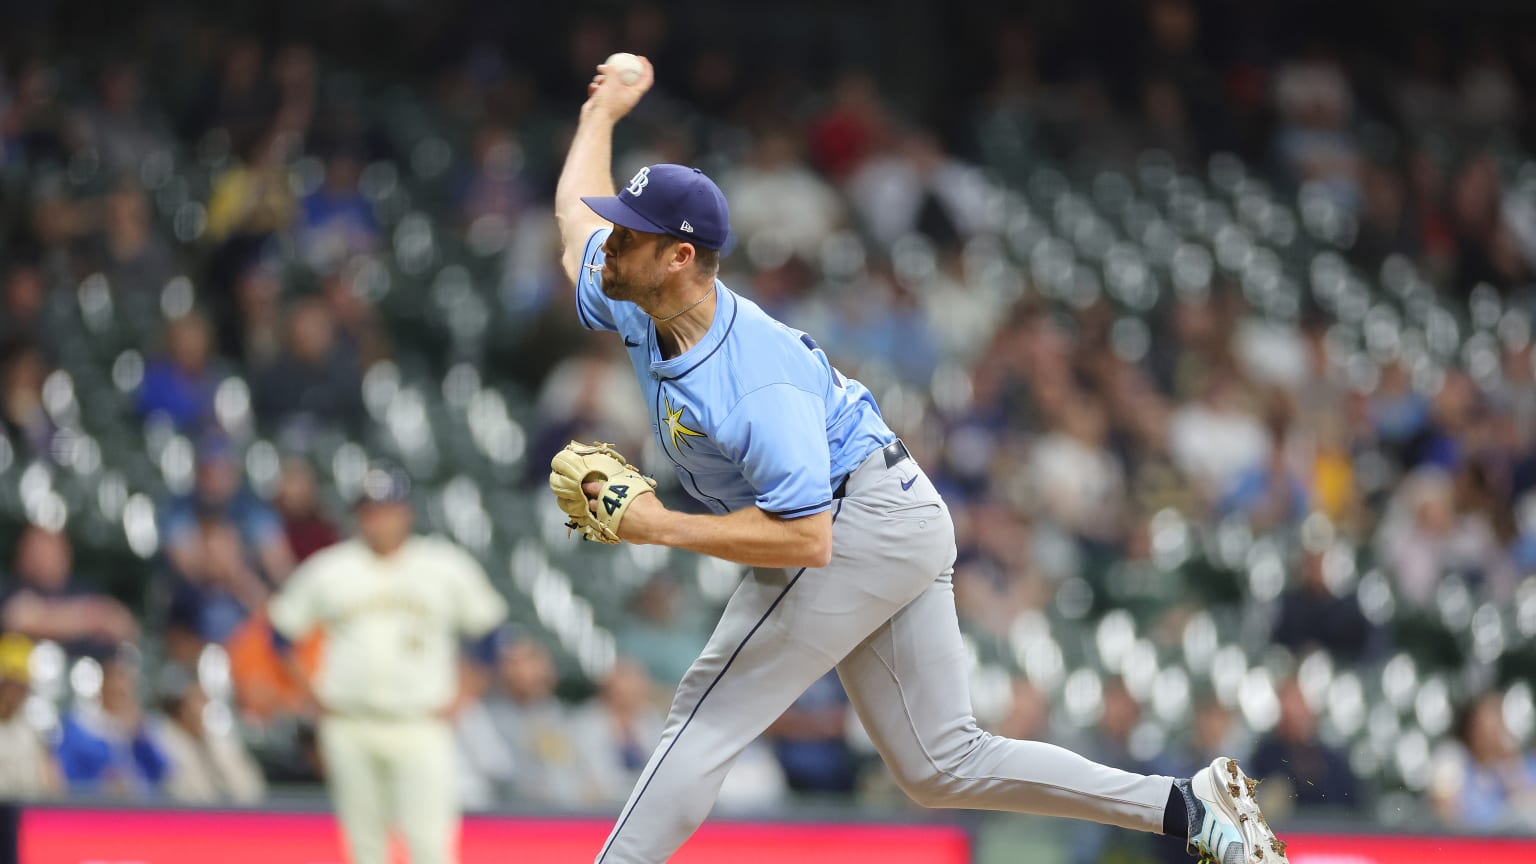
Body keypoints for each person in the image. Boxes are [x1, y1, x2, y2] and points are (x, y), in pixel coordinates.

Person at [550, 56, 1286, 864]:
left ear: (681, 259)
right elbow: (572, 229)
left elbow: (807, 540)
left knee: (706, 715)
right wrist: (604, 113)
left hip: (852, 519)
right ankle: (1184, 805)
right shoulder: (633, 291)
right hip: (893, 509)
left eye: (630, 233)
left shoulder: (753, 383)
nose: (609, 243)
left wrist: (654, 523)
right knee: (942, 764)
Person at [268, 463, 507, 864]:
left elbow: (489, 632)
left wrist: (465, 694)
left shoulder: (443, 565)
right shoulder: (332, 567)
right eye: (369, 510)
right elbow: (280, 633)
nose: (378, 518)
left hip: (421, 722)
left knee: (430, 845)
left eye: (386, 508)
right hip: (348, 721)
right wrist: (310, 693)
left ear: (406, 512)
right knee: (364, 848)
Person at [0, 634, 59, 799]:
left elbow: (52, 786)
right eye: (9, 685)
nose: (12, 694)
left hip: (25, 815)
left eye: (20, 687)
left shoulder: (32, 730)